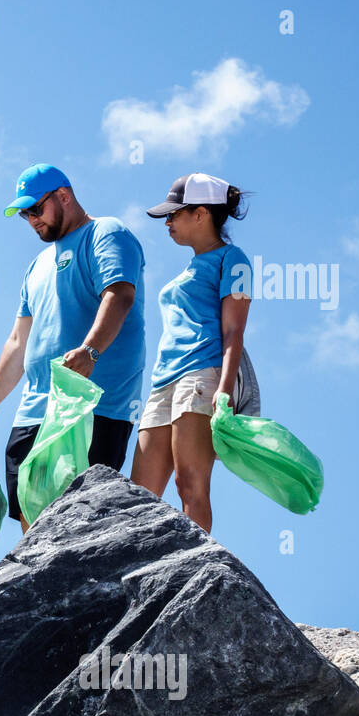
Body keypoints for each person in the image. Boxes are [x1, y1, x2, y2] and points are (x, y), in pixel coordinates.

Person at [0, 164, 146, 532]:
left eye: (36, 209)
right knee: (29, 512)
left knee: (83, 518)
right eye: (25, 214)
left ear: (63, 196)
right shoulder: (36, 266)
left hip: (93, 403)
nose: (31, 219)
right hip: (34, 407)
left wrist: (90, 351)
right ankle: (36, 587)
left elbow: (120, 294)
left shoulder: (106, 233)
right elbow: (18, 341)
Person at [130, 173, 252, 532]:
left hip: (201, 376)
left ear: (200, 214)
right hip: (163, 382)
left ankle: (193, 568)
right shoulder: (188, 269)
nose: (167, 222)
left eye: (174, 214)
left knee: (190, 485)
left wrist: (225, 389)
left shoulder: (235, 259)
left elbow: (234, 330)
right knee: (139, 495)